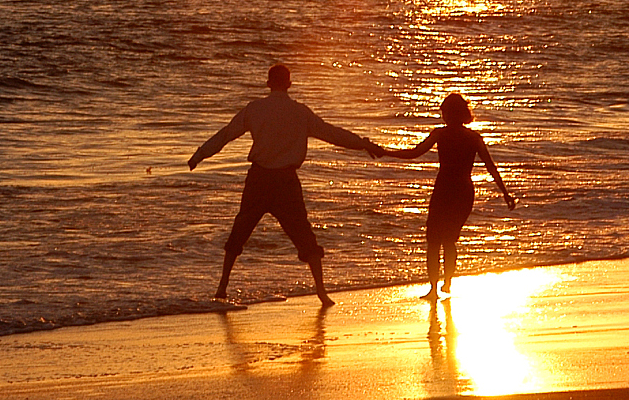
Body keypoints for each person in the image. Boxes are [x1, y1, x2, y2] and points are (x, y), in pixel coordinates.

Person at [188, 63, 381, 306]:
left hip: (259, 180)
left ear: (268, 83)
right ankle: (321, 293)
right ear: (289, 84)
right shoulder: (300, 112)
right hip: (286, 182)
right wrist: (363, 143)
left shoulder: (255, 109)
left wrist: (199, 155)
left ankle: (222, 288)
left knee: (240, 232)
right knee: (304, 235)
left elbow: (225, 135)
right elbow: (332, 133)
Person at [377, 91, 515, 300]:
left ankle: (437, 287)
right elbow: (491, 167)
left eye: (446, 111)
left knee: (436, 240)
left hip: (447, 190)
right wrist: (505, 193)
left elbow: (415, 153)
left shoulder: (441, 134)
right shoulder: (472, 137)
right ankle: (444, 283)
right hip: (461, 191)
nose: (444, 116)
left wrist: (387, 152)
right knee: (445, 240)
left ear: (454, 113)